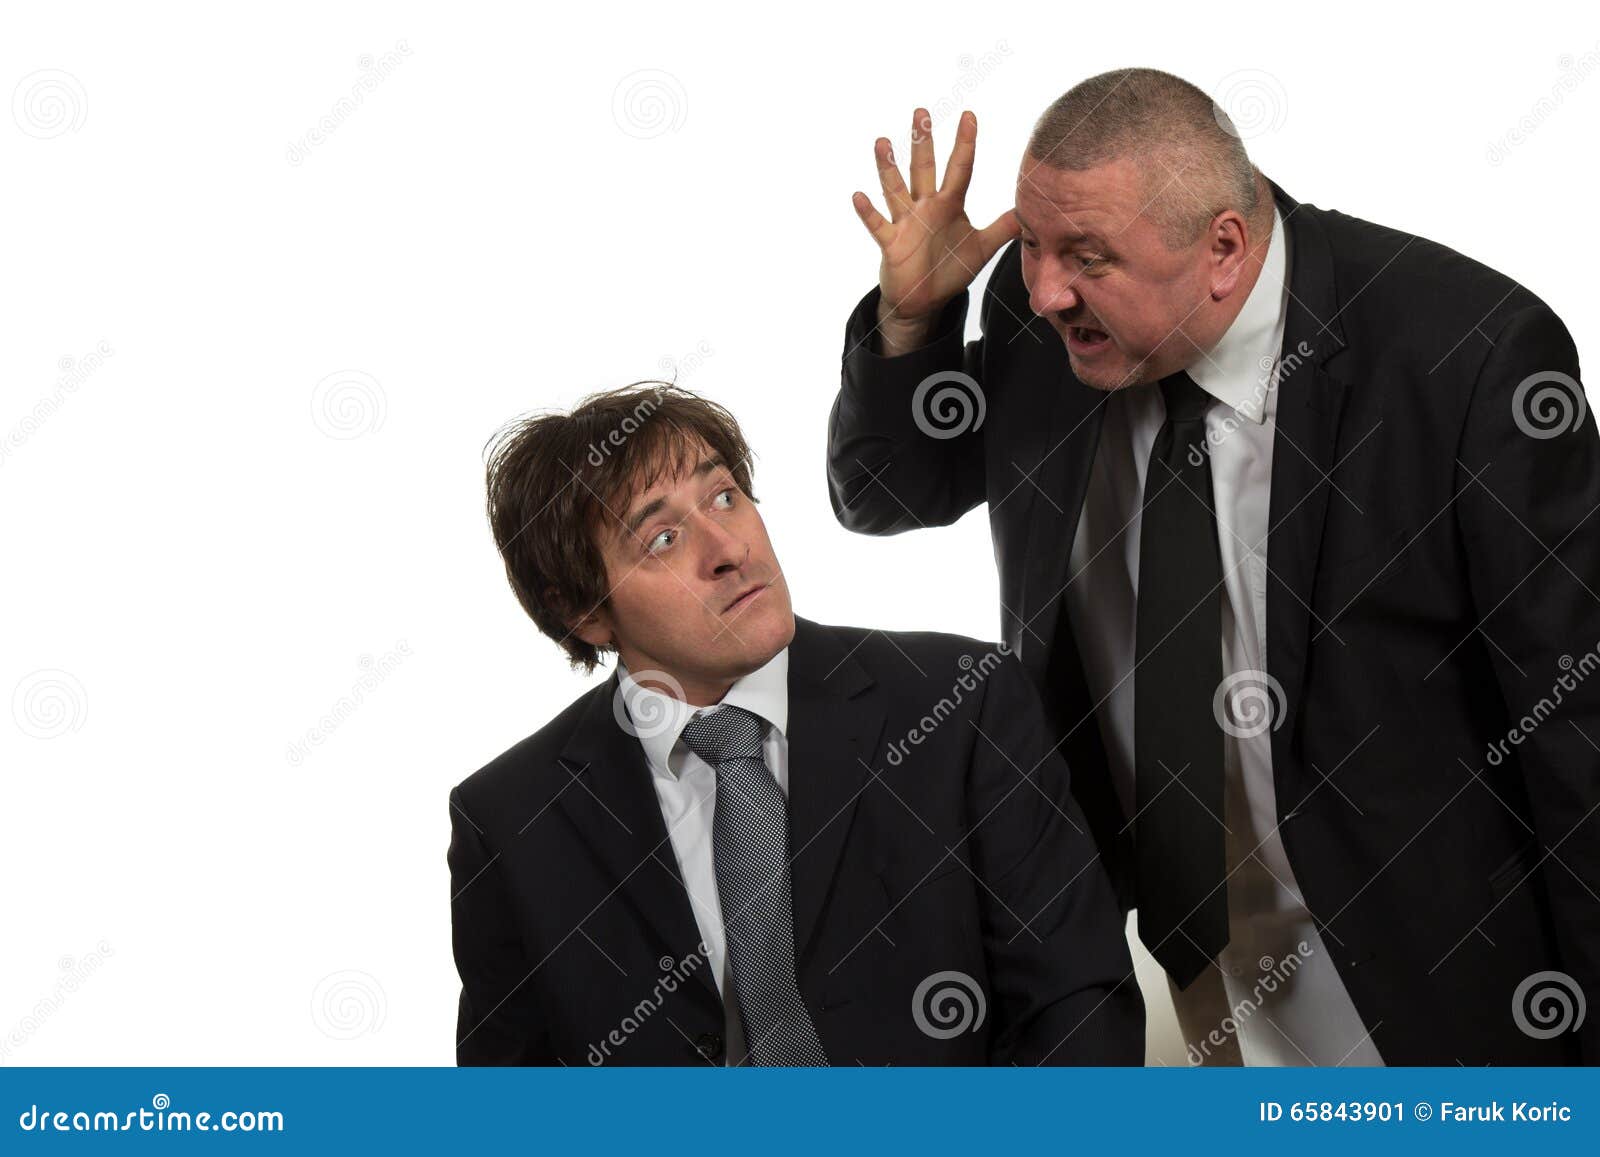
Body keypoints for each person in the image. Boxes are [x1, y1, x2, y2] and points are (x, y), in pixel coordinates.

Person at [829, 67, 1598, 1065]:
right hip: (1188, 960)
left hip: (1426, 967)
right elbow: (886, 489)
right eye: (1030, 245)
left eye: (1087, 257)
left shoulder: (1463, 355)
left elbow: (1575, 727)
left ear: (1223, 248)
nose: (1044, 287)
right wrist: (911, 322)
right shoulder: (1048, 328)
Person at [448, 382, 1143, 1065]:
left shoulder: (962, 703)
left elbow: (1078, 1004)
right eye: (662, 536)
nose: (728, 548)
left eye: (725, 496)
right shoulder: (508, 820)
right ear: (582, 610)